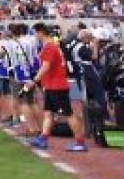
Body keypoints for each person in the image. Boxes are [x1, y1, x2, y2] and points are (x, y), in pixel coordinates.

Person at [26, 23, 85, 152]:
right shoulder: (53, 46)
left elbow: (46, 67)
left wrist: (34, 80)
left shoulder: (49, 47)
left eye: (35, 32)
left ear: (41, 32)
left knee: (68, 114)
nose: (34, 36)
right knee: (48, 113)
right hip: (53, 85)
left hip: (56, 86)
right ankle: (43, 138)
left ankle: (80, 142)